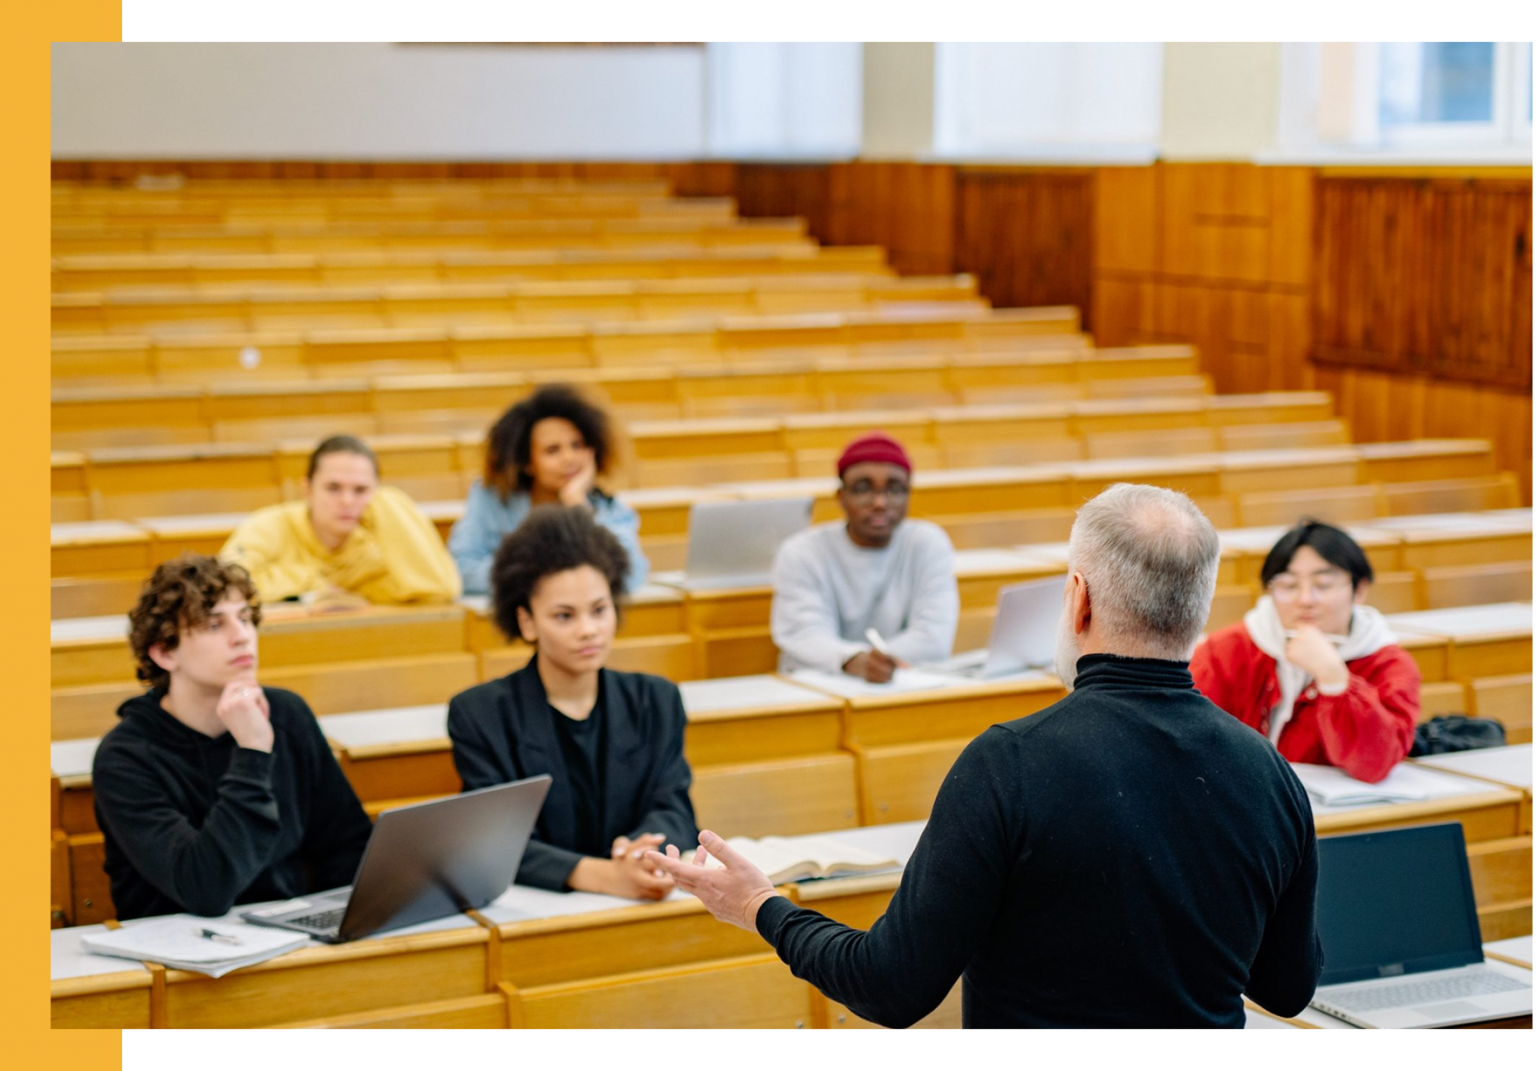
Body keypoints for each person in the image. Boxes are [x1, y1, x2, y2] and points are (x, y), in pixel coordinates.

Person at [649, 483, 1322, 1028]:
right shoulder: (1267, 772)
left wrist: (760, 905)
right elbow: (1288, 990)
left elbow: (891, 986)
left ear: (1078, 598)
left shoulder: (1011, 764)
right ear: (1197, 608)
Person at [92, 555, 373, 920]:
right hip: (180, 945)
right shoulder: (125, 757)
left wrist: (345, 928)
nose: (242, 637)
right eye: (214, 625)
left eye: (244, 618)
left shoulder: (287, 714)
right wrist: (253, 752)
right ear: (165, 652)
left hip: (289, 934)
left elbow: (348, 847)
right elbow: (206, 890)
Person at [447, 505, 695, 900]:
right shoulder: (480, 714)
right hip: (538, 907)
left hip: (639, 900)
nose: (588, 630)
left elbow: (675, 811)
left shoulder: (656, 700)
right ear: (527, 622)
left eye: (599, 610)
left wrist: (641, 853)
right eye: (564, 616)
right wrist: (605, 876)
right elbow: (496, 842)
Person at [1191, 520, 1420, 784]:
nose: (1306, 600)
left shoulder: (1389, 664)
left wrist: (1335, 680)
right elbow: (1191, 735)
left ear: (1359, 590)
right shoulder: (1227, 650)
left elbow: (1374, 765)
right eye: (1288, 586)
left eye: (1323, 585)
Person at [770, 431, 958, 682]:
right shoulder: (801, 552)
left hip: (904, 684)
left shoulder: (927, 543)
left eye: (895, 489)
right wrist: (853, 660)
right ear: (841, 496)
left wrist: (875, 663)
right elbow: (803, 635)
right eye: (863, 489)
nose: (880, 502)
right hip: (821, 686)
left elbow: (933, 637)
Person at [449, 384, 648, 595]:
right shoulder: (491, 498)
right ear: (527, 462)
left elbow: (631, 576)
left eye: (577, 445)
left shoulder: (606, 507)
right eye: (553, 450)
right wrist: (548, 576)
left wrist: (578, 505)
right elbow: (461, 570)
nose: (569, 458)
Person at [220, 435, 460, 608]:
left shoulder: (373, 547)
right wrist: (313, 582)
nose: (347, 501)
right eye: (333, 488)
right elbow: (225, 586)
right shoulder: (270, 526)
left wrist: (388, 501)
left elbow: (439, 590)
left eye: (361, 490)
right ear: (308, 490)